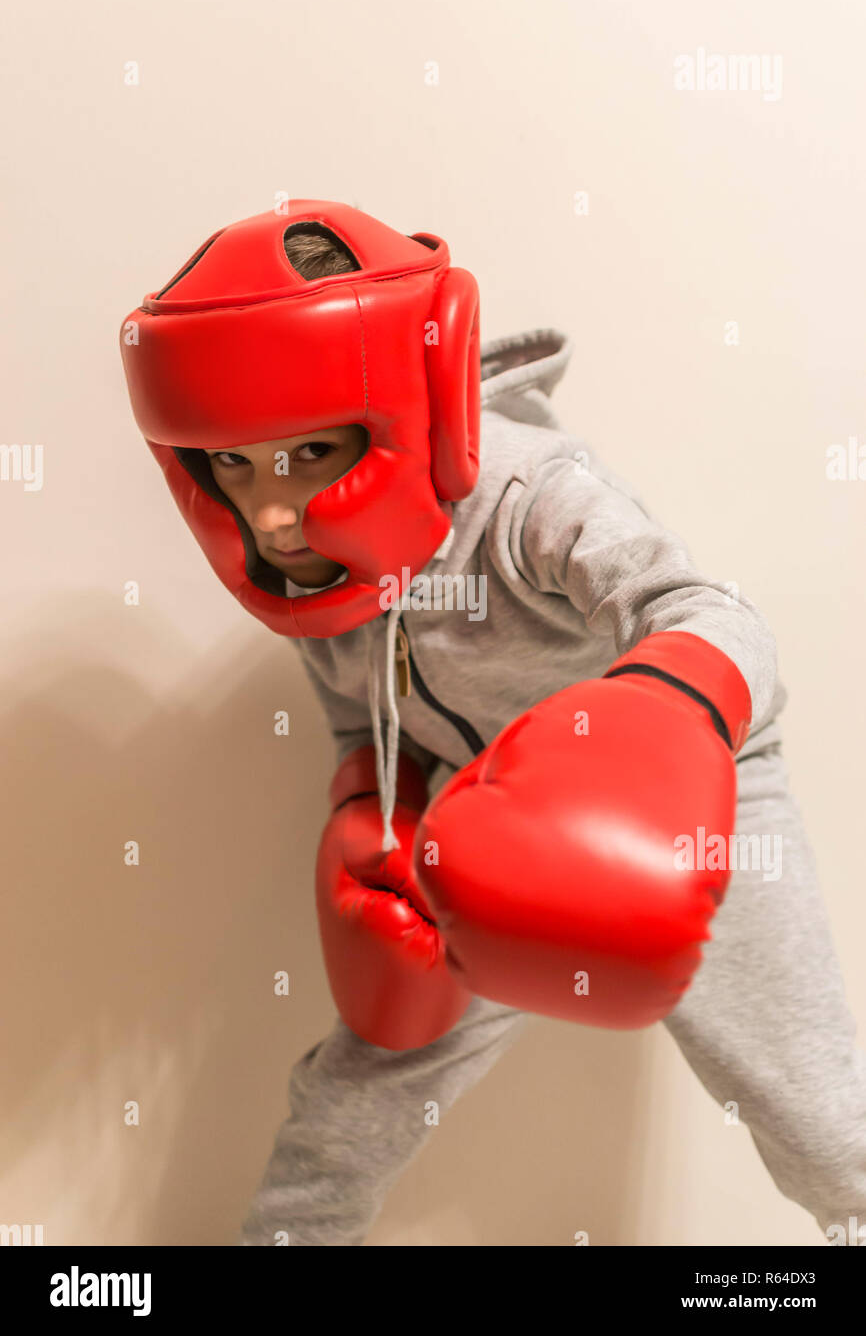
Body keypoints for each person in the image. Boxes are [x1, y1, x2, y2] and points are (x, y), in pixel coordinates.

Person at [119, 202, 866, 1246]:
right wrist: (361, 810)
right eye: (232, 465)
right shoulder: (310, 580)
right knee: (347, 1107)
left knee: (821, 1124)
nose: (271, 511)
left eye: (308, 454)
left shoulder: (527, 493)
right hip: (472, 842)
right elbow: (357, 722)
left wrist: (655, 721)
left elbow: (712, 612)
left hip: (691, 807)